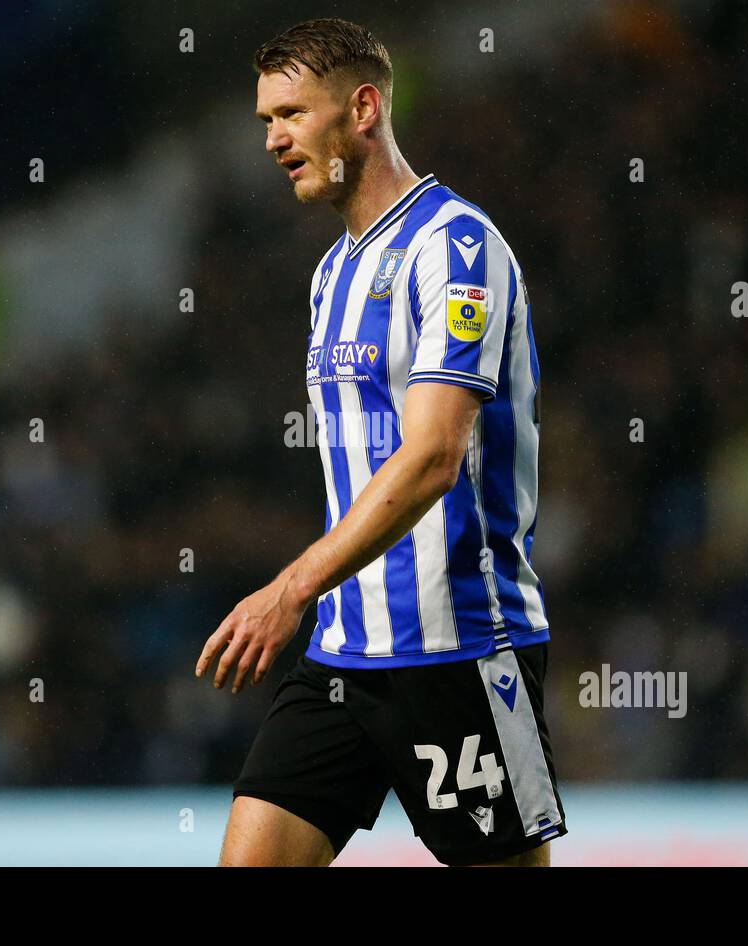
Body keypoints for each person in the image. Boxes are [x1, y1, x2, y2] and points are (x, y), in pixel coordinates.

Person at [196, 17, 567, 867]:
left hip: (460, 649)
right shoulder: (333, 273)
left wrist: (288, 589)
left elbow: (436, 455)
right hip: (342, 655)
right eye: (264, 121)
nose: (273, 139)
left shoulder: (457, 247)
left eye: (290, 113)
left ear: (362, 109)